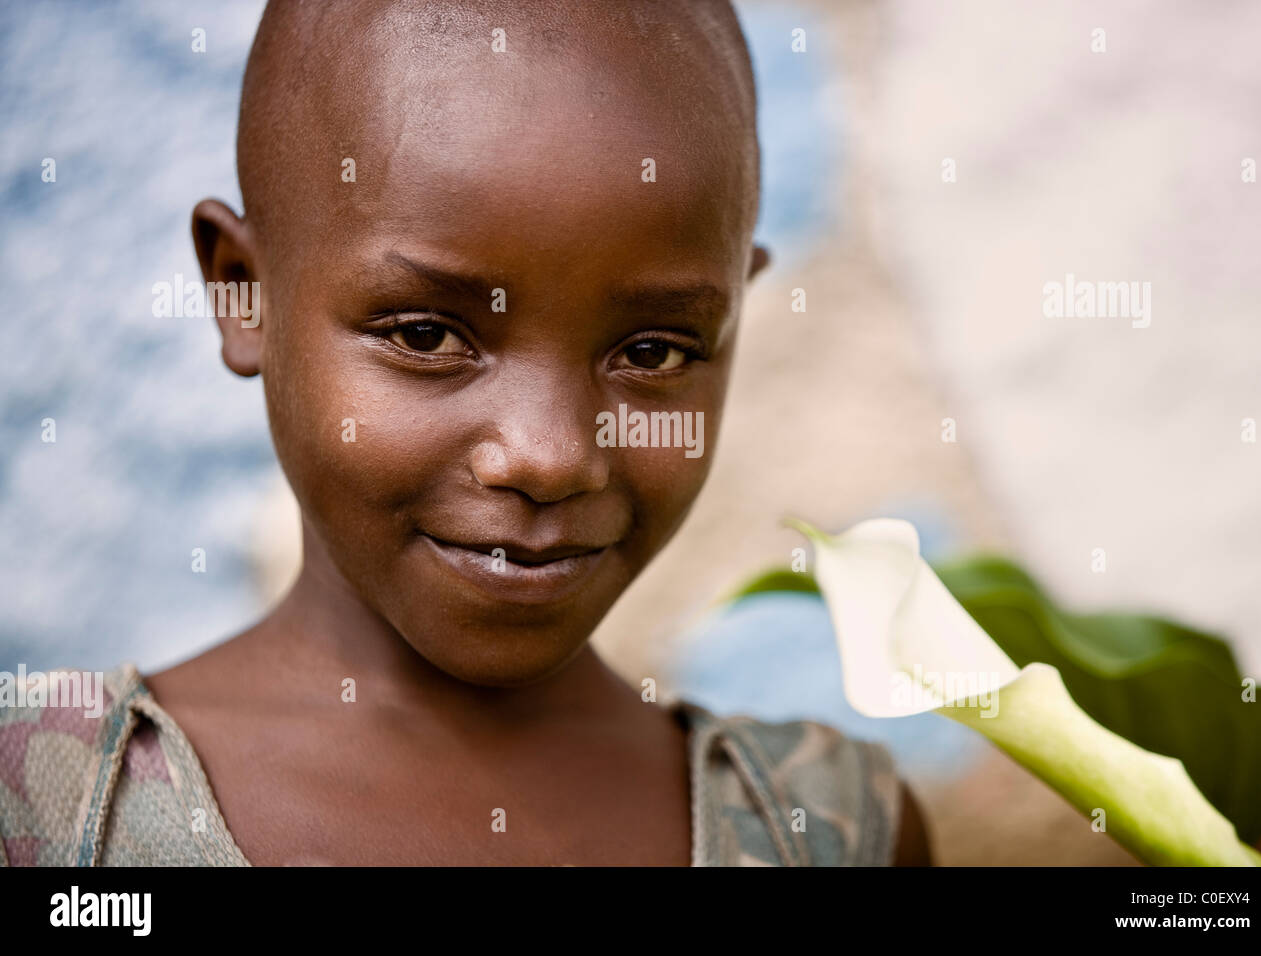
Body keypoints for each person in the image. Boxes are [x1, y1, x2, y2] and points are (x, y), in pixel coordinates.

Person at [0, 0, 927, 867]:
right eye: (427, 336)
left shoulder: (825, 829)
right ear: (244, 292)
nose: (551, 454)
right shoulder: (46, 811)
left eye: (653, 351)